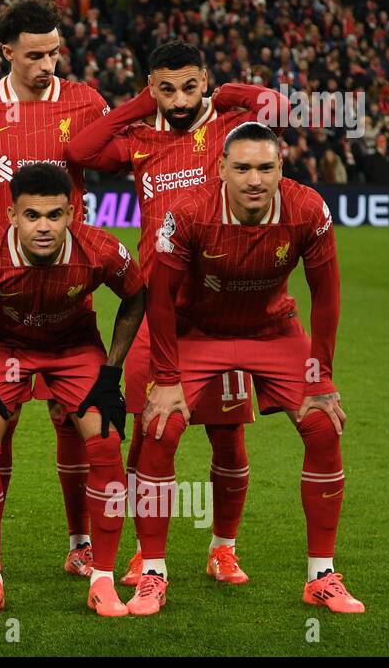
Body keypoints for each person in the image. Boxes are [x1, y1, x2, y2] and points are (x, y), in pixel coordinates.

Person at [67, 39, 291, 588]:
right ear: (152, 86)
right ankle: (146, 551)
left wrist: (226, 92)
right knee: (149, 430)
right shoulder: (141, 139)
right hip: (158, 308)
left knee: (226, 435)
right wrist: (141, 105)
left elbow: (280, 109)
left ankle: (223, 547)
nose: (180, 98)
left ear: (205, 81)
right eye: (166, 87)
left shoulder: (228, 129)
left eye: (190, 86)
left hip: (224, 307)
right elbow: (80, 152)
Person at [139, 121, 363, 615]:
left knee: (324, 425)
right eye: (241, 168)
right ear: (220, 169)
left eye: (265, 167)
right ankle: (152, 573)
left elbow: (327, 296)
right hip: (198, 331)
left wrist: (320, 376)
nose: (254, 179)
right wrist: (168, 379)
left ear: (281, 168)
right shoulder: (191, 212)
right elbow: (159, 300)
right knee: (161, 426)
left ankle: (320, 576)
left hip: (272, 331)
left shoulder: (308, 209)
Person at [0, 163, 146, 617]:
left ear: (72, 214)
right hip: (1, 346)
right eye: (32, 215)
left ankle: (103, 579)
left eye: (54, 215)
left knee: (106, 436)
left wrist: (112, 371)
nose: (44, 227)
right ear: (12, 214)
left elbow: (136, 294)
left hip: (73, 348)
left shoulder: (100, 249)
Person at [0, 0, 111, 580]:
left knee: (72, 418)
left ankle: (80, 543)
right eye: (34, 55)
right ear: (6, 52)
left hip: (69, 284)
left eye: (54, 52)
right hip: (0, 286)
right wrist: (2, 214)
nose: (47, 63)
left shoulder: (85, 101)